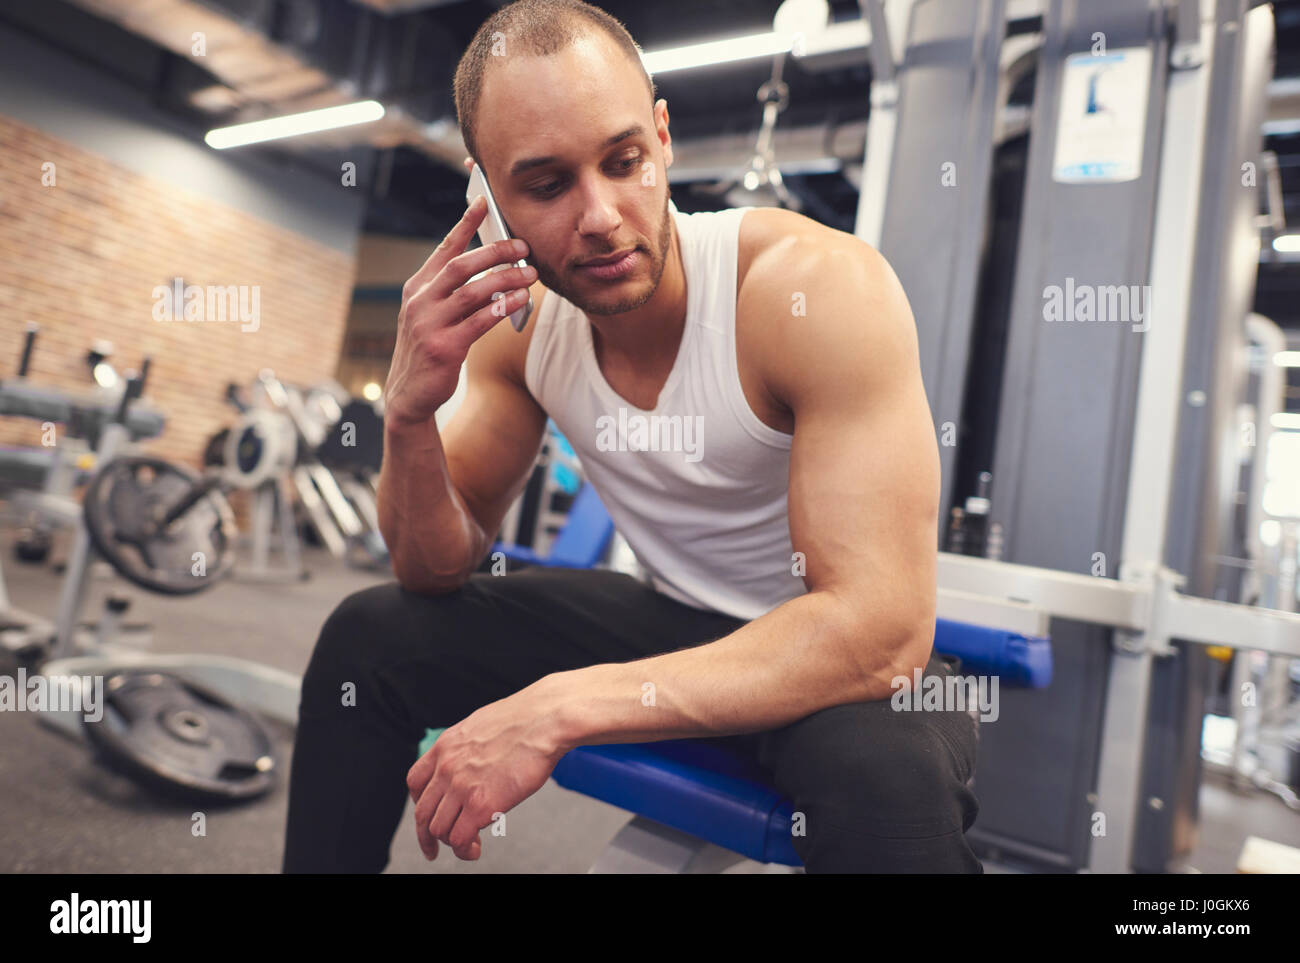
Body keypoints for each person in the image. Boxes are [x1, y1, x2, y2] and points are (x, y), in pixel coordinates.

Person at [282, 0, 980, 874]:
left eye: (624, 162)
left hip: (833, 654)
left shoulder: (813, 290)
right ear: (488, 199)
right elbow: (434, 568)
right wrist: (410, 415)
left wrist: (558, 707)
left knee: (887, 784)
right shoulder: (522, 325)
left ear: (662, 138)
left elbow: (879, 629)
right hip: (676, 624)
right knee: (371, 635)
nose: (602, 215)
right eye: (545, 186)